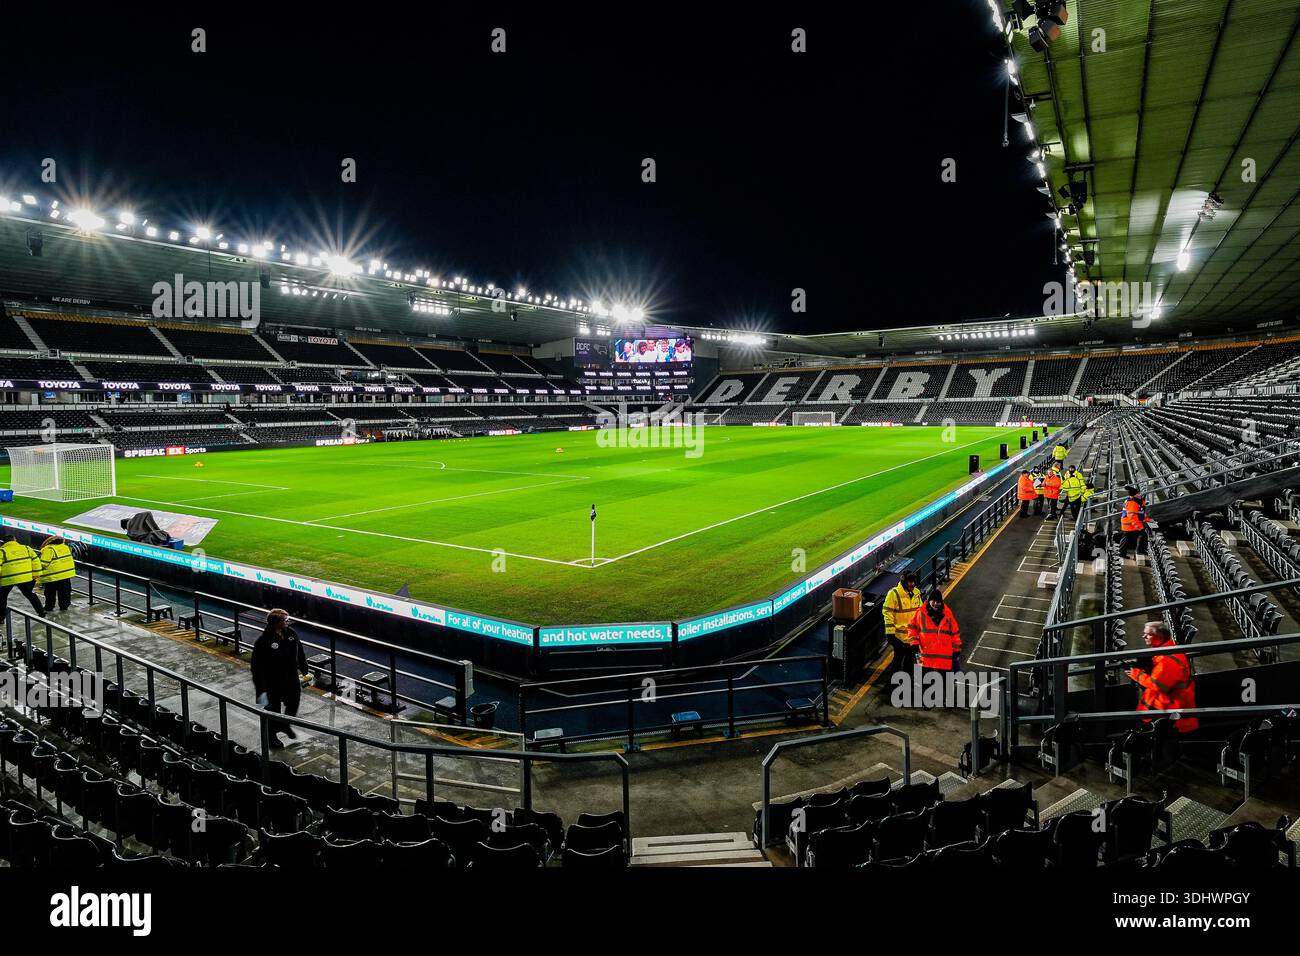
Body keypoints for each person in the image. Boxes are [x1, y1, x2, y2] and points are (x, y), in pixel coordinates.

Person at [250, 608, 309, 749]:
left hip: (291, 678)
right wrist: (261, 689)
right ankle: (271, 737)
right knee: (273, 710)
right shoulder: (263, 640)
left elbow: (299, 650)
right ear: (276, 623)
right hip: (272, 682)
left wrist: (303, 666)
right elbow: (256, 666)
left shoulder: (291, 633)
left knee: (293, 702)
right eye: (285, 620)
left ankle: (285, 725)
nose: (288, 622)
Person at [1127, 621, 1198, 732]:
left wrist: (1137, 674)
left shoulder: (1167, 661)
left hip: (1171, 718)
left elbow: (1159, 686)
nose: (1144, 636)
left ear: (1159, 637)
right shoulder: (1165, 652)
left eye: (1148, 634)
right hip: (1164, 712)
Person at [907, 588, 962, 673]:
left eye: (938, 602)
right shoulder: (920, 613)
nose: (936, 604)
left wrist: (956, 649)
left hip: (943, 661)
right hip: (926, 660)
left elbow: (954, 633)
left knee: (944, 685)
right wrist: (914, 643)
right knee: (923, 685)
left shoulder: (948, 615)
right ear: (929, 601)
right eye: (933, 601)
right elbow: (912, 628)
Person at [882, 571, 923, 672]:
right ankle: (894, 683)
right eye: (910, 582)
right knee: (898, 660)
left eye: (914, 582)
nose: (912, 584)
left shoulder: (916, 593)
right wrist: (890, 633)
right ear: (904, 582)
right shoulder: (894, 594)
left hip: (912, 637)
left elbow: (921, 612)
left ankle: (905, 681)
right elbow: (887, 613)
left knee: (909, 660)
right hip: (899, 638)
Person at [0, 533, 45, 619]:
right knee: (30, 595)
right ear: (15, 540)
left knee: (2, 598)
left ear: (4, 542)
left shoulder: (2, 551)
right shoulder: (26, 548)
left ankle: (1, 618)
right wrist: (36, 574)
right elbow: (35, 561)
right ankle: (41, 612)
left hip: (8, 578)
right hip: (26, 577)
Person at [36, 535, 76, 614]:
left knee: (50, 592)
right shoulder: (65, 547)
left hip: (52, 575)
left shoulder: (49, 549)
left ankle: (49, 607)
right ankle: (64, 606)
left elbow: (44, 563)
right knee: (65, 592)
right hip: (66, 574)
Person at [1117, 485, 1148, 559]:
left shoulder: (1134, 501)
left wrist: (1147, 520)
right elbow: (1132, 517)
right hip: (1129, 525)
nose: (1140, 495)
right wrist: (1139, 526)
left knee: (1126, 538)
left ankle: (1122, 553)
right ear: (1134, 495)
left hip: (1128, 524)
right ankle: (1139, 551)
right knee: (1142, 534)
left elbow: (1141, 513)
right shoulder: (1132, 503)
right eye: (1138, 494)